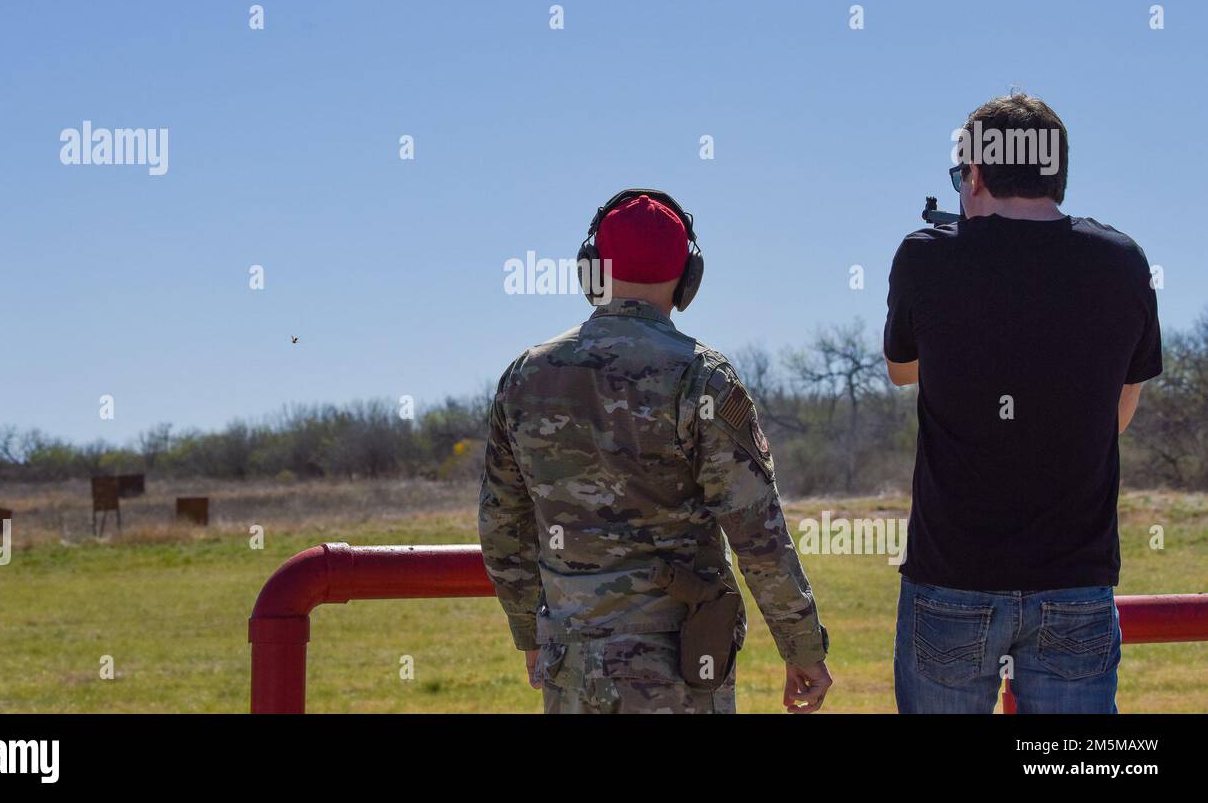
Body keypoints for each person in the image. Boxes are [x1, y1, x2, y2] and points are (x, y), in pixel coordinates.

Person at [478, 189, 830, 714]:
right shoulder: (702, 379)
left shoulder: (526, 376)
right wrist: (801, 648)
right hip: (678, 665)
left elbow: (502, 522)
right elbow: (757, 533)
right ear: (690, 278)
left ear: (592, 270)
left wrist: (531, 632)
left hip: (569, 660)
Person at [885, 94, 1162, 713]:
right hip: (1077, 579)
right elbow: (1117, 413)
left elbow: (903, 371)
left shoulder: (926, 257)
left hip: (951, 576)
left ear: (976, 175)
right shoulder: (1122, 263)